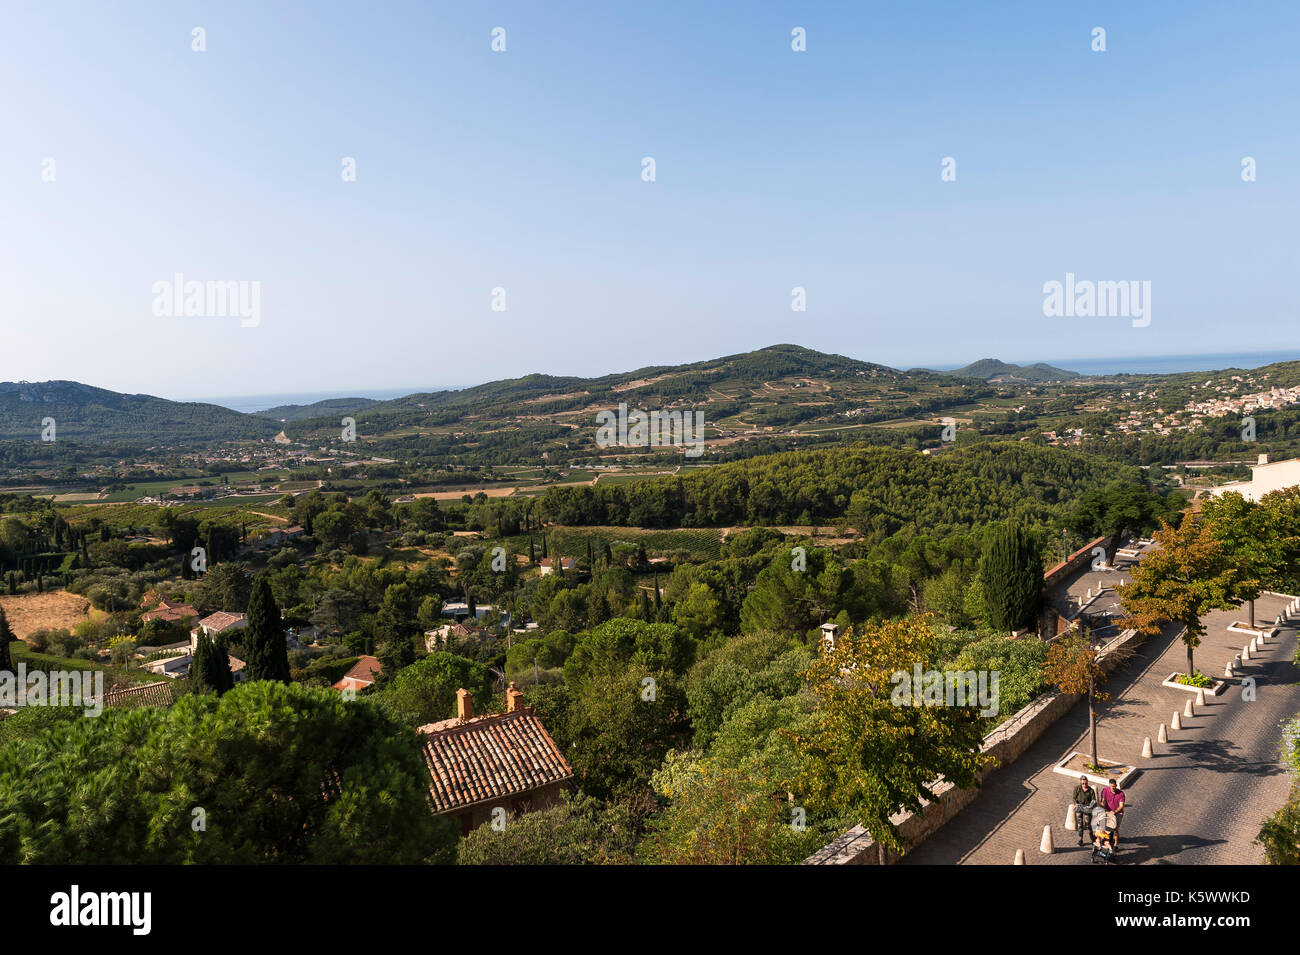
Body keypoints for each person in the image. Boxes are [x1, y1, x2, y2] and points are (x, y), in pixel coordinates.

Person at [1100, 778, 1126, 848]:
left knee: (1115, 829)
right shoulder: (1105, 790)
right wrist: (1102, 805)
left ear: (1116, 785)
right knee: (1104, 826)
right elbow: (1103, 801)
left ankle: (1116, 844)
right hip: (1108, 812)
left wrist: (1114, 811)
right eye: (1111, 787)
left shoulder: (1121, 794)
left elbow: (1121, 806)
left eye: (1114, 787)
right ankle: (1105, 840)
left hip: (1118, 813)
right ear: (1109, 785)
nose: (1113, 788)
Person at [1072, 776, 1096, 846]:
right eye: (1083, 783)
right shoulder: (1077, 788)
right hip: (1079, 808)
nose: (1084, 785)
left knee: (1088, 824)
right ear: (1080, 782)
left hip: (1087, 809)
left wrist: (1091, 806)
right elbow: (1074, 797)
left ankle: (1092, 838)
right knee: (1080, 825)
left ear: (1087, 782)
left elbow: (1093, 800)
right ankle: (1080, 839)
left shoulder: (1091, 790)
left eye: (1085, 783)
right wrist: (1075, 804)